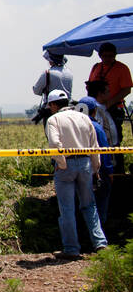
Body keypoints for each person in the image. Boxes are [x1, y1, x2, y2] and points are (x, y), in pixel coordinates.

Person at [43, 90, 107, 260]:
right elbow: (94, 146)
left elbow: (55, 143)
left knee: (67, 209)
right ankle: (100, 243)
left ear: (54, 105)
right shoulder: (84, 118)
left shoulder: (54, 120)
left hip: (66, 166)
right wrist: (96, 168)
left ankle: (71, 249)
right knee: (89, 205)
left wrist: (61, 163)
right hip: (85, 163)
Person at [88, 42, 131, 167]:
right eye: (105, 56)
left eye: (111, 56)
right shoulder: (96, 67)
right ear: (100, 55)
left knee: (114, 139)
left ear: (115, 55)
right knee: (96, 138)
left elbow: (127, 89)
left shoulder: (122, 68)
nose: (108, 59)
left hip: (113, 108)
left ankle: (118, 171)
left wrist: (109, 103)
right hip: (96, 108)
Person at [77, 96, 115, 232]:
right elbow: (104, 152)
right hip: (99, 172)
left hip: (79, 171)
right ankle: (100, 235)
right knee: (100, 205)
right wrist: (109, 172)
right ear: (94, 112)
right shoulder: (97, 128)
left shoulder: (74, 127)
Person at [31, 49, 72, 122]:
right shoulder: (69, 73)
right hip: (67, 108)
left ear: (51, 60)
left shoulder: (48, 73)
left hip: (51, 110)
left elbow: (36, 91)